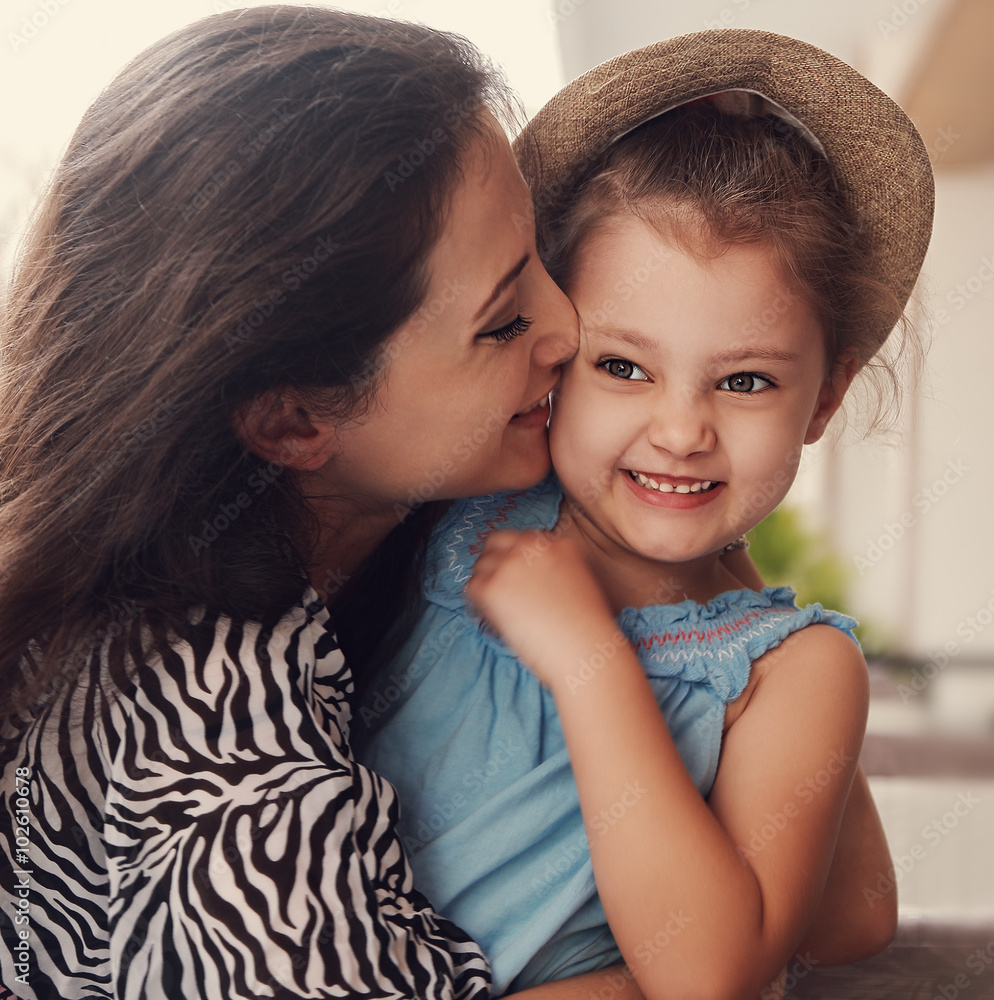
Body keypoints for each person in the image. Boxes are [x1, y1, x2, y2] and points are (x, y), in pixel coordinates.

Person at [0, 6, 658, 998]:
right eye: (501, 320)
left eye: (542, 263)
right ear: (294, 423)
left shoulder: (422, 530)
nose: (566, 325)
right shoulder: (225, 778)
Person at [356, 30, 934, 1000]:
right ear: (551, 349)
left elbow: (711, 975)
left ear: (824, 399)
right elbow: (857, 913)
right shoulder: (467, 507)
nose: (678, 431)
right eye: (621, 366)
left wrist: (589, 659)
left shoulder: (789, 670)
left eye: (743, 380)